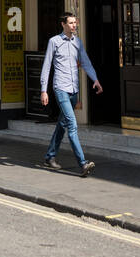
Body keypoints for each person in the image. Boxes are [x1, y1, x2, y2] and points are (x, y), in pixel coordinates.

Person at [39, 12, 102, 176]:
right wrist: (43, 90)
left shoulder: (77, 42)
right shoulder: (54, 42)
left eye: (75, 23)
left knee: (62, 124)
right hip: (60, 88)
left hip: (74, 90)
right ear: (63, 24)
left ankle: (50, 156)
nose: (74, 25)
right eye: (71, 23)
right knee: (72, 125)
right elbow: (47, 66)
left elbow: (86, 62)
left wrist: (95, 79)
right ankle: (83, 163)